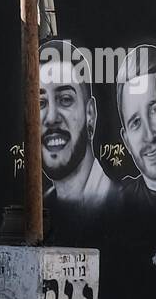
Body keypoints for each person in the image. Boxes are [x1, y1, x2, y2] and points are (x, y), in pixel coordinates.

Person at [39, 39, 118, 215]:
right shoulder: (46, 209)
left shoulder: (121, 208)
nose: (51, 118)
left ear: (90, 114)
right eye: (40, 103)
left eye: (65, 100)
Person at [115, 43, 156, 207]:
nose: (149, 135)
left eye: (155, 110)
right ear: (126, 141)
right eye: (136, 122)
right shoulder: (116, 203)